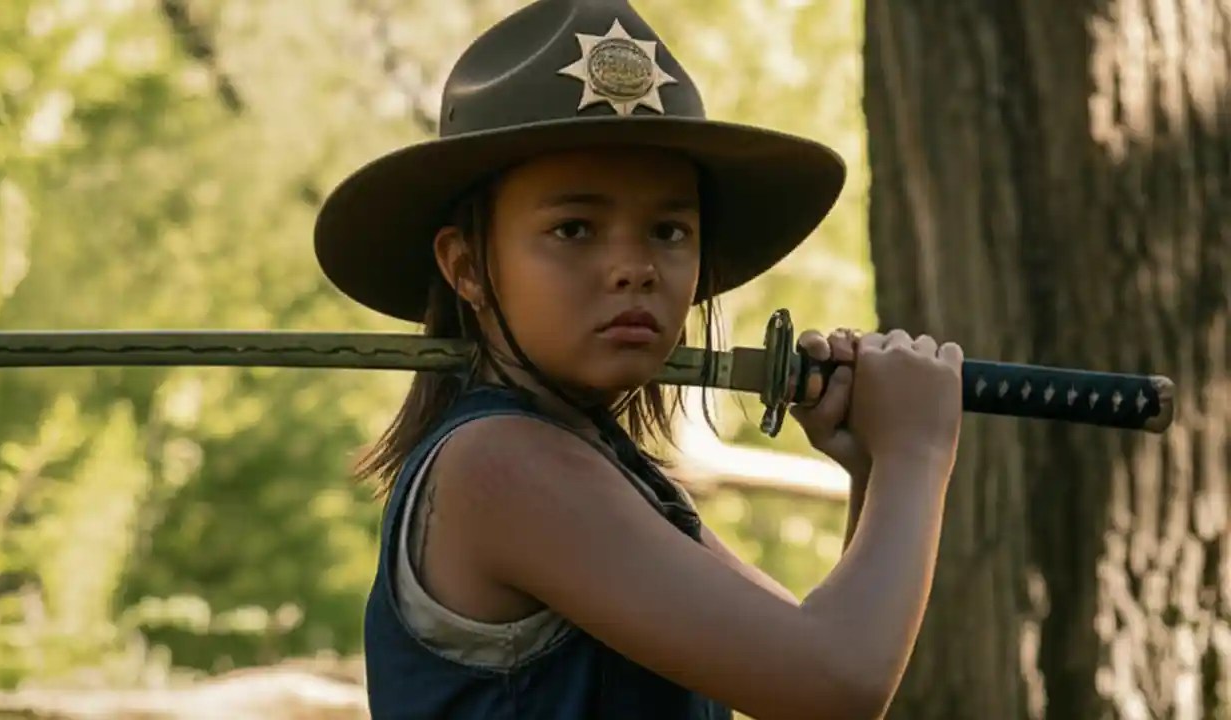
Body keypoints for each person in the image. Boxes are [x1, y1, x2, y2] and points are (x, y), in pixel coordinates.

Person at [313, 0, 963, 718]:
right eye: (574, 229)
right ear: (467, 267)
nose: (636, 268)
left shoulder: (596, 463)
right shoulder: (499, 463)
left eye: (669, 230)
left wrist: (872, 467)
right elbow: (835, 684)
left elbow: (802, 659)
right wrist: (916, 452)